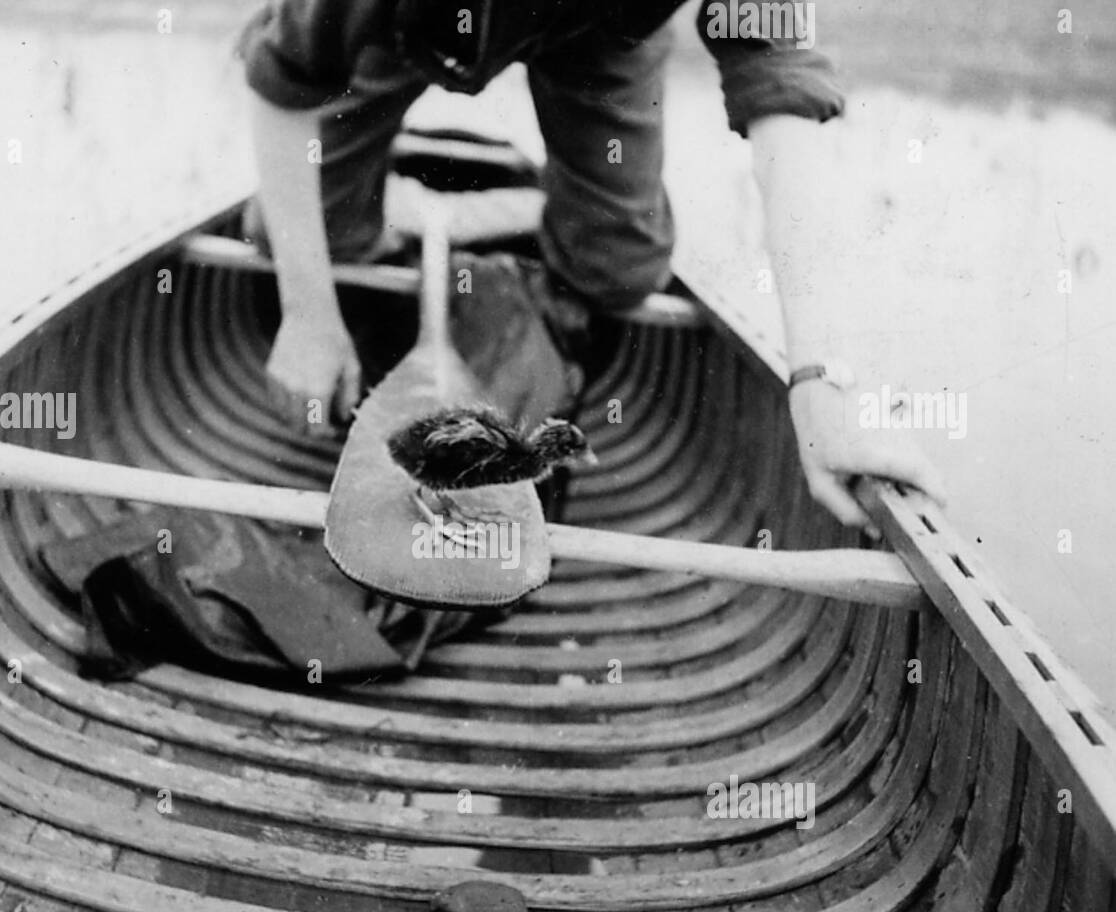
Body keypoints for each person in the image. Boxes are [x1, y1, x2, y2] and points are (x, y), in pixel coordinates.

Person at [235, 0, 948, 530]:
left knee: (619, 270)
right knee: (298, 234)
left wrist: (821, 378)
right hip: (403, 29)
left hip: (599, 34)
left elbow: (786, 106)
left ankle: (515, 206)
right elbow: (285, 78)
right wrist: (308, 312)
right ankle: (397, 199)